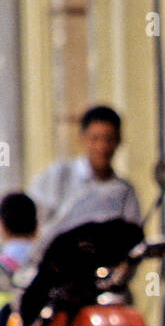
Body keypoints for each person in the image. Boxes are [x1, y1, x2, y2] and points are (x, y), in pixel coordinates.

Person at [28, 105, 142, 257]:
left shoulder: (123, 191)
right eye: (94, 139)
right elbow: (33, 220)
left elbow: (132, 243)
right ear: (82, 138)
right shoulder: (60, 175)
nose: (102, 147)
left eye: (109, 139)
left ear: (119, 140)